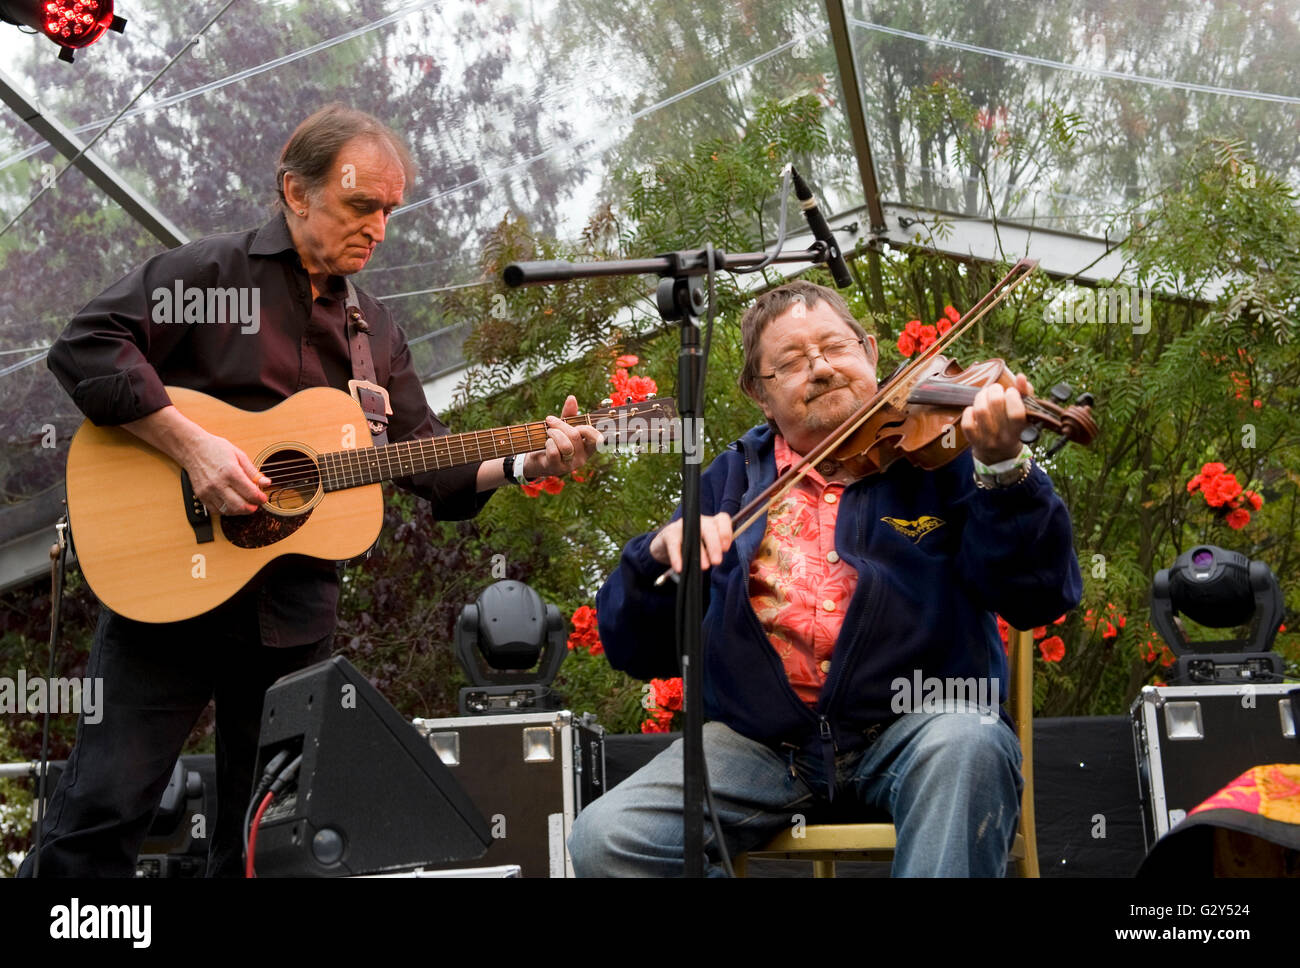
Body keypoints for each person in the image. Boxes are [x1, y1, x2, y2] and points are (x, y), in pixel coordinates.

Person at [22, 104, 599, 877]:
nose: (380, 228)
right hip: (164, 586)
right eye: (363, 205)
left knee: (263, 842)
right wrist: (194, 449)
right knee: (102, 814)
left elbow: (427, 462)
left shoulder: (377, 335)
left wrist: (529, 461)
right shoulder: (211, 274)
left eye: (390, 211)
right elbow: (88, 347)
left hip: (289, 619)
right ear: (296, 191)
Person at [568, 279, 1082, 877]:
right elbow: (636, 648)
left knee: (969, 745)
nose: (819, 368)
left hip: (919, 727)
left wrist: (1004, 469)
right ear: (761, 396)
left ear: (869, 352)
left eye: (835, 347)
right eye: (789, 362)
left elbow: (1038, 595)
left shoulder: (943, 456)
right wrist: (655, 557)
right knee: (607, 839)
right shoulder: (732, 480)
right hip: (760, 748)